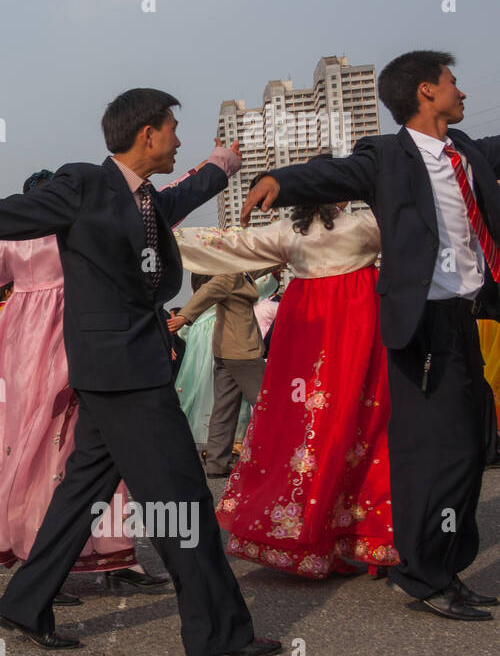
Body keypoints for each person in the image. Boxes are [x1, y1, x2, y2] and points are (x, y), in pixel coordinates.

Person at [0, 89, 277, 656]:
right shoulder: (85, 185)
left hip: (115, 368)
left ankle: (24, 602)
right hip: (124, 372)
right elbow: (2, 215)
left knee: (81, 491)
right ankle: (216, 631)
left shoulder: (143, 201)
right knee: (181, 501)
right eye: (172, 129)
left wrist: (222, 164)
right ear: (146, 134)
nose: (177, 139)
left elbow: (184, 194)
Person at [239, 50, 500, 620]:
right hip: (422, 323)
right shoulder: (384, 156)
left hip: (466, 315)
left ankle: (444, 568)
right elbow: (333, 174)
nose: (463, 91)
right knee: (432, 453)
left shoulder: (470, 152)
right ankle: (422, 575)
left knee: (471, 447)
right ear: (427, 91)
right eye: (454, 81)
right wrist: (278, 180)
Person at [0, 170, 169, 598]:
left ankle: (108, 553)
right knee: (56, 449)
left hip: (46, 340)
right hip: (57, 342)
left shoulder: (31, 237)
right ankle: (48, 561)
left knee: (80, 448)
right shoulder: (51, 232)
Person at [176, 193, 396, 577]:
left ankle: (300, 534)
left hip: (305, 327)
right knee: (363, 423)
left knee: (301, 426)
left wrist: (164, 234)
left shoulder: (287, 233)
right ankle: (365, 533)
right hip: (356, 327)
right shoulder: (366, 228)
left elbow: (226, 243)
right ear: (342, 196)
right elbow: (418, 229)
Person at [167, 272, 267, 477]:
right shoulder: (228, 275)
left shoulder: (241, 271)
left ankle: (216, 462)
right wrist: (184, 317)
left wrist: (283, 257)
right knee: (269, 404)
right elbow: (208, 291)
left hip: (226, 350)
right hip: (242, 350)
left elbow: (259, 267)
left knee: (224, 408)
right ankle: (278, 455)